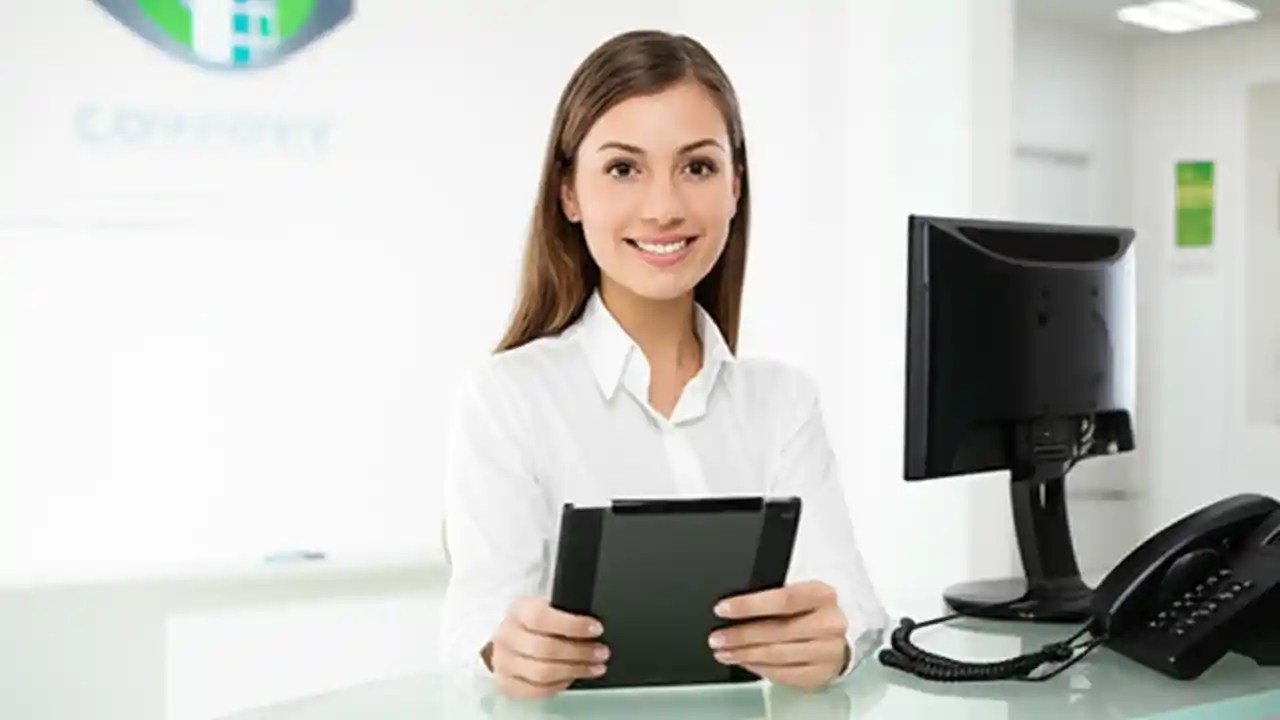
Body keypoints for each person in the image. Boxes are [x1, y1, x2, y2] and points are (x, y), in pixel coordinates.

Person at [438, 29, 887, 700]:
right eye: (624, 169)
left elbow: (855, 605)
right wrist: (505, 649)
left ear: (735, 186)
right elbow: (474, 624)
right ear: (569, 193)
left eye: (697, 167)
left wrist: (835, 640)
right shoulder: (509, 396)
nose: (664, 208)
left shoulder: (783, 403)